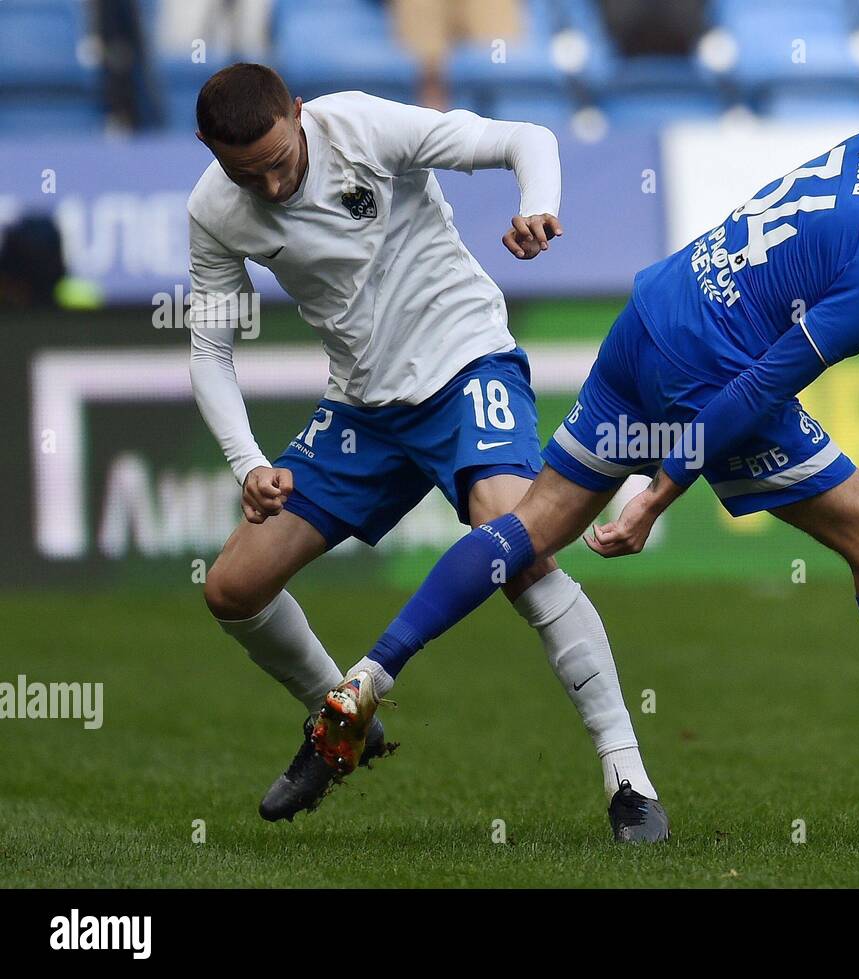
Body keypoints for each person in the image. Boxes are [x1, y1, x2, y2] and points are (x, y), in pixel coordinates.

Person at [317, 120, 859, 811]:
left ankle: (365, 678)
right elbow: (760, 385)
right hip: (712, 372)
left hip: (653, 313)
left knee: (527, 530)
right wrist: (662, 491)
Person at [186, 63, 667, 841]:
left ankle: (628, 778)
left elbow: (525, 137)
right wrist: (248, 463)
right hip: (363, 405)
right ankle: (338, 721)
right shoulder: (212, 210)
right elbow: (209, 349)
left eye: (280, 162)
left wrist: (536, 208)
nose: (271, 187)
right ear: (208, 148)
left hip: (465, 362)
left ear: (299, 114)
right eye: (248, 174)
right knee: (232, 587)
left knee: (519, 547)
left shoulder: (363, 129)